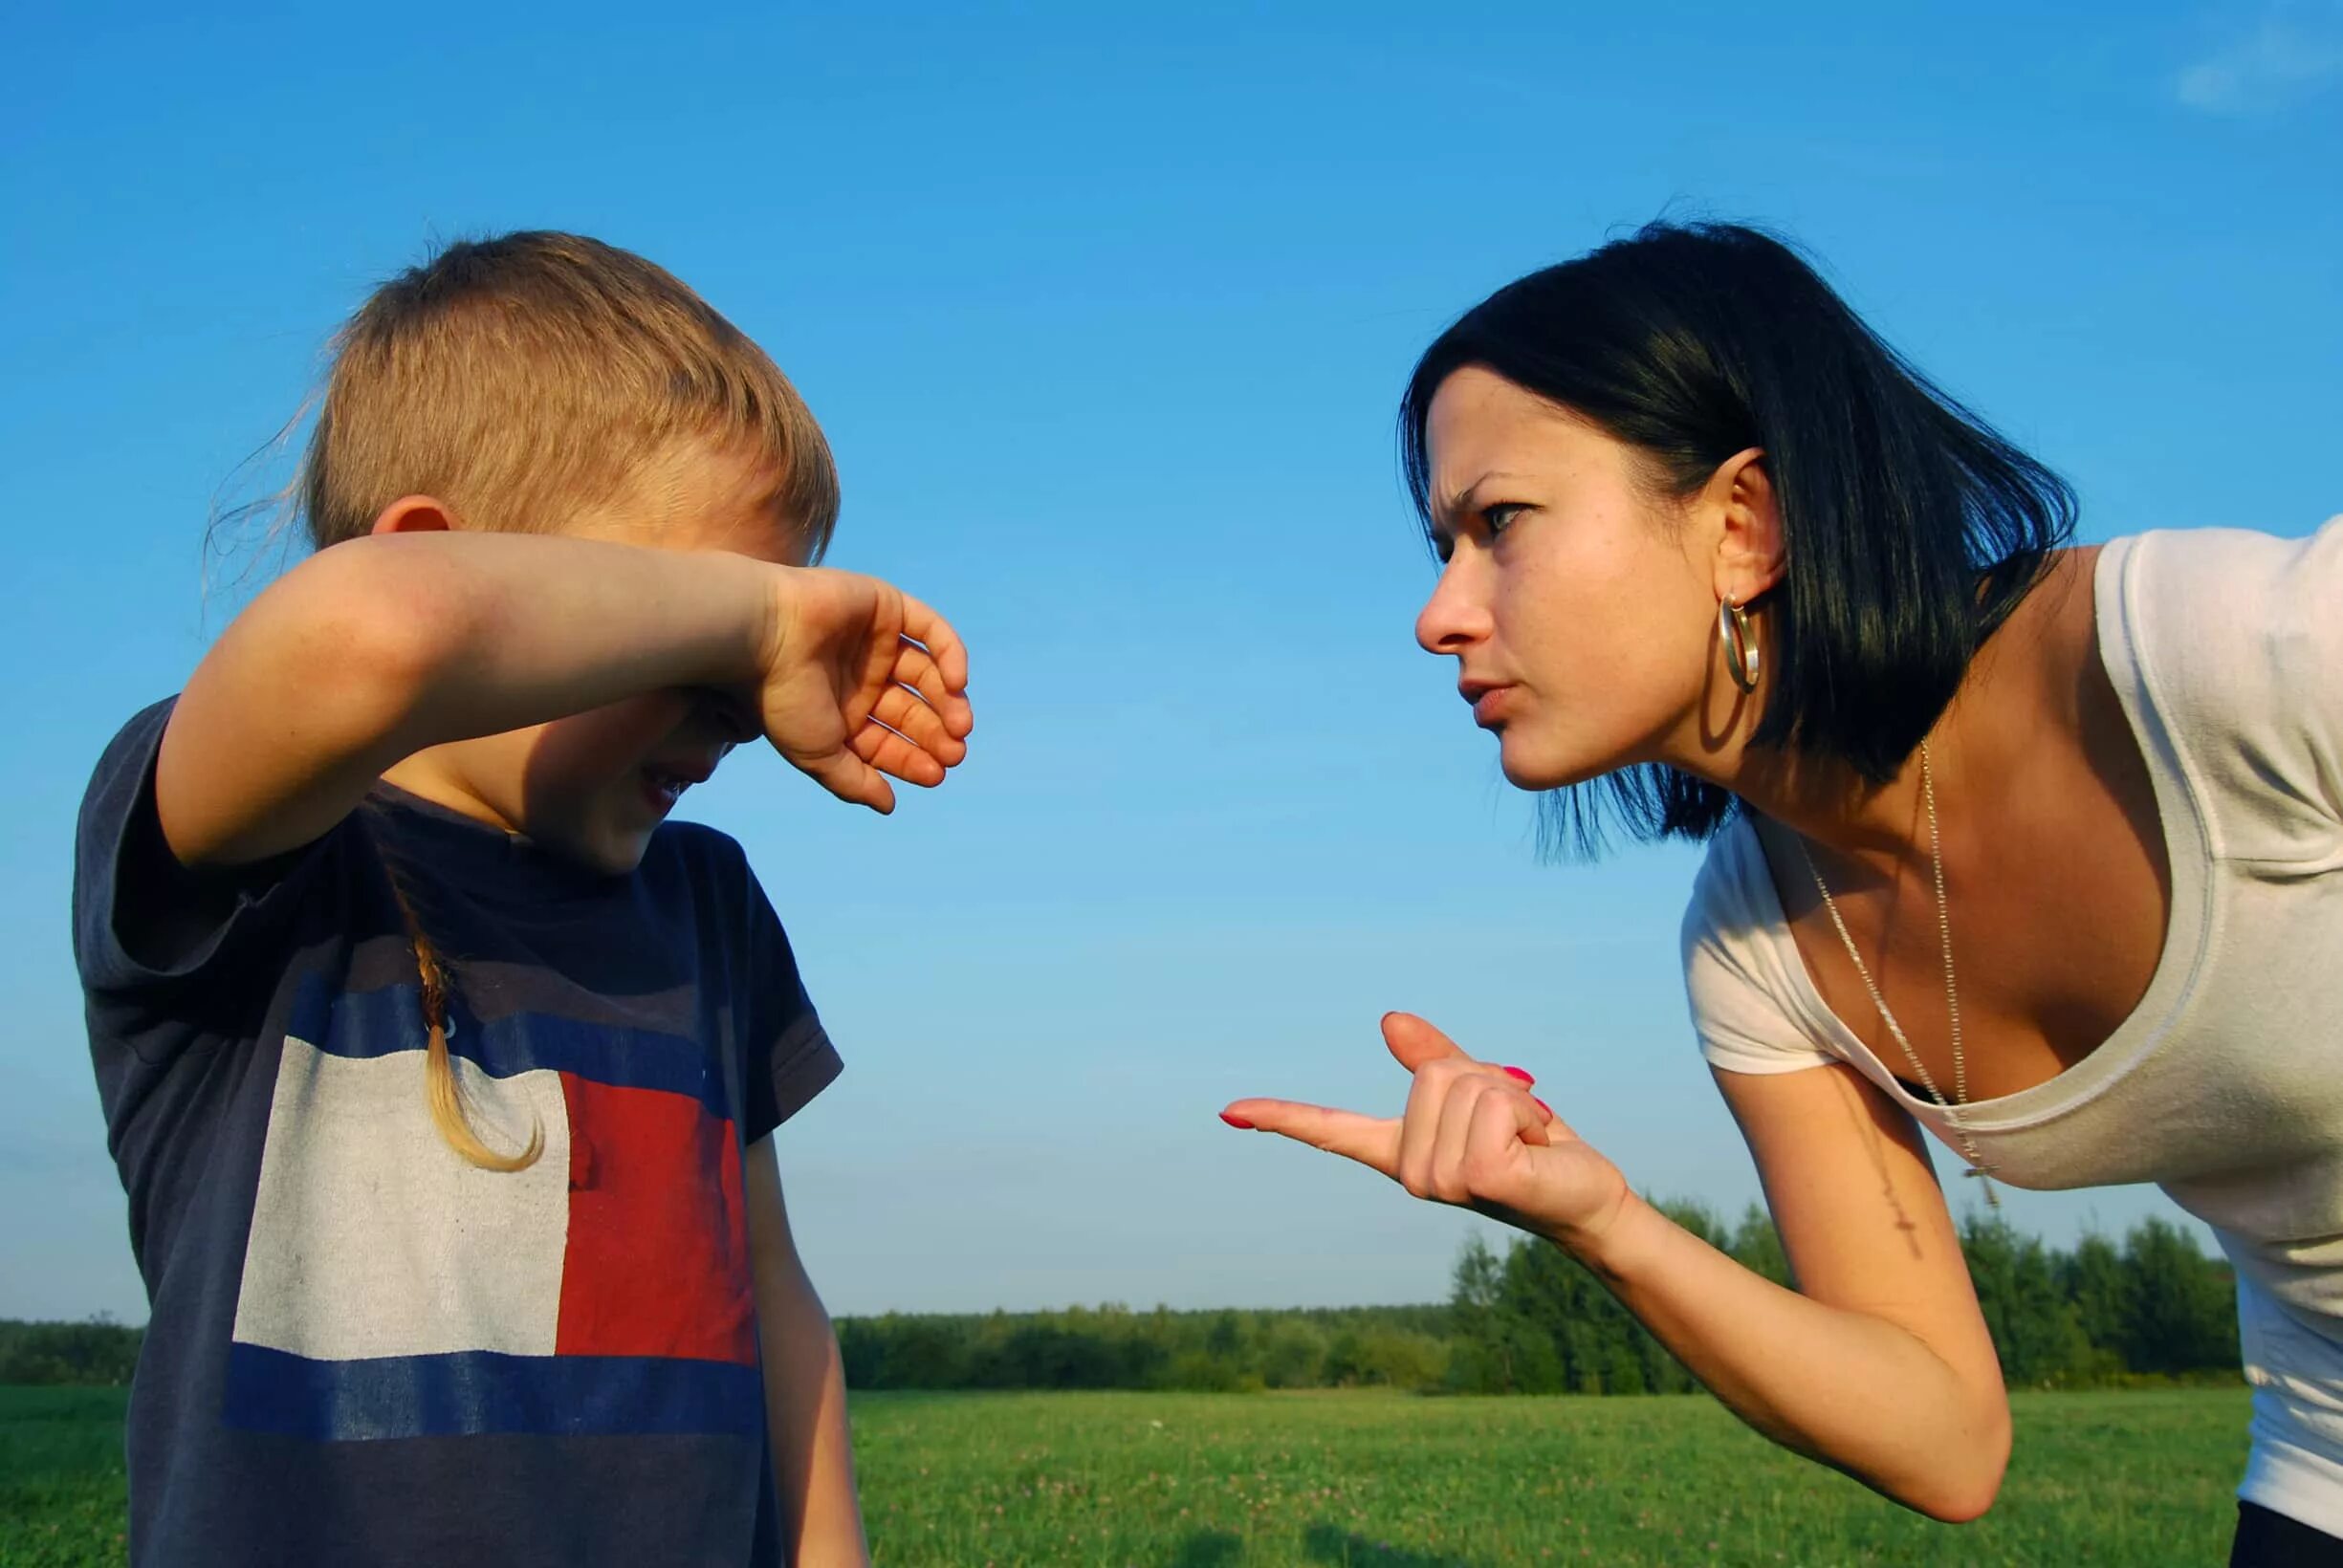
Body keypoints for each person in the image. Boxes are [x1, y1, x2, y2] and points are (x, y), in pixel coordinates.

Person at [1222, 220, 2342, 1565]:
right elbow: (1943, 1439)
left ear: (1742, 525)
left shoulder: (2244, 661)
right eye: (1439, 550)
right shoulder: (1755, 951)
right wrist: (1605, 1225)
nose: (1438, 614)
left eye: (1497, 525)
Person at [72, 231, 972, 1567]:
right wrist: (760, 620)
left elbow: (768, 1290)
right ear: (441, 555)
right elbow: (376, 631)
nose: (743, 711)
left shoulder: (705, 902)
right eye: (696, 626)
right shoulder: (258, 849)